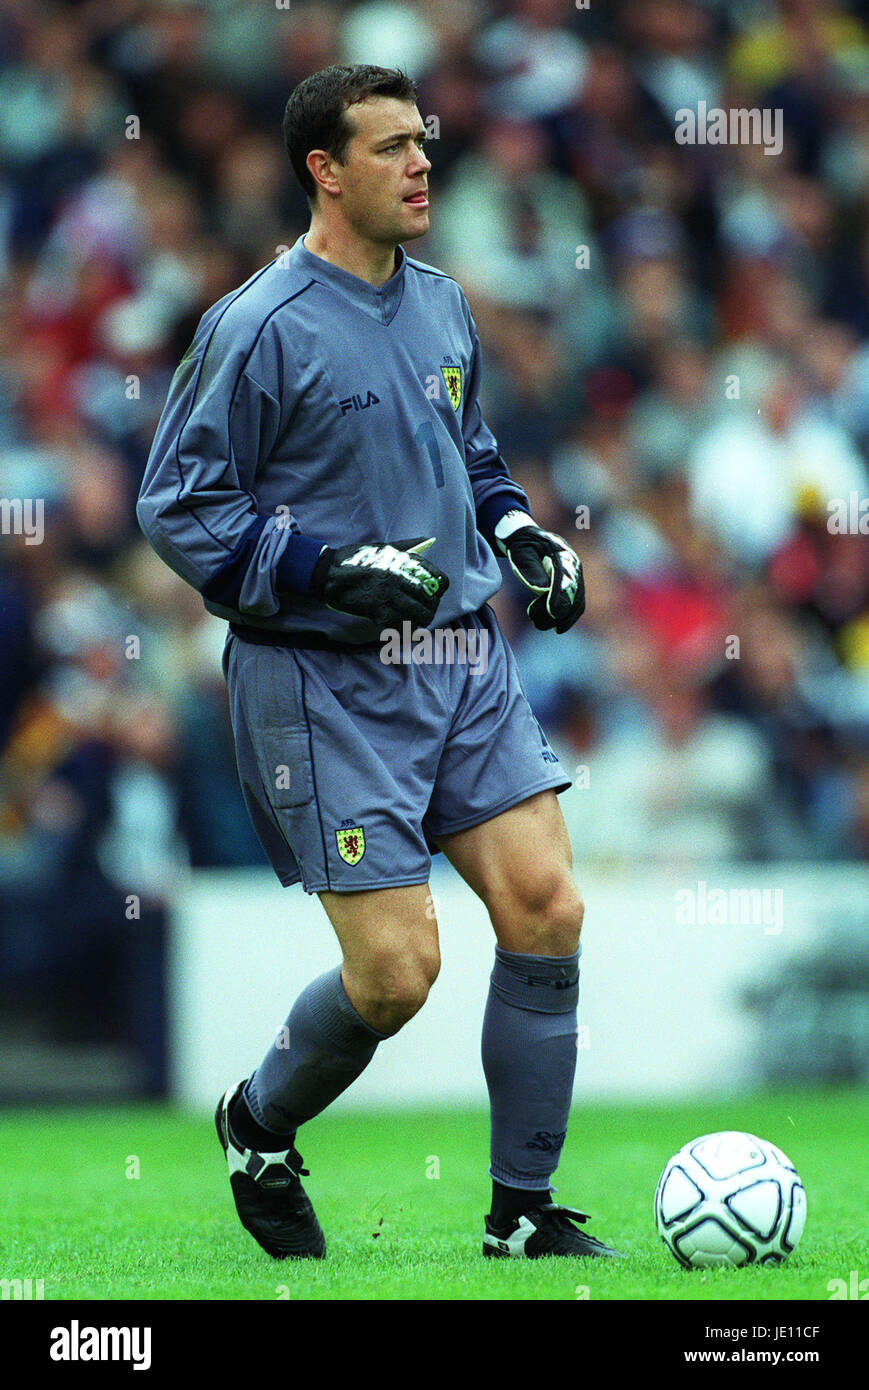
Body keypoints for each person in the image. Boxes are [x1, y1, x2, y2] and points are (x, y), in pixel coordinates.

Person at [137, 63, 620, 1262]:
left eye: (424, 142)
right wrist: (319, 565)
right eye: (393, 146)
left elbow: (469, 450)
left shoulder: (444, 302)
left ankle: (519, 1214)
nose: (420, 165)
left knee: (546, 905)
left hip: (459, 657)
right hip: (322, 679)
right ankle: (257, 1126)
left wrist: (519, 537)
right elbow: (176, 501)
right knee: (398, 973)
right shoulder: (255, 326)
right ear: (324, 168)